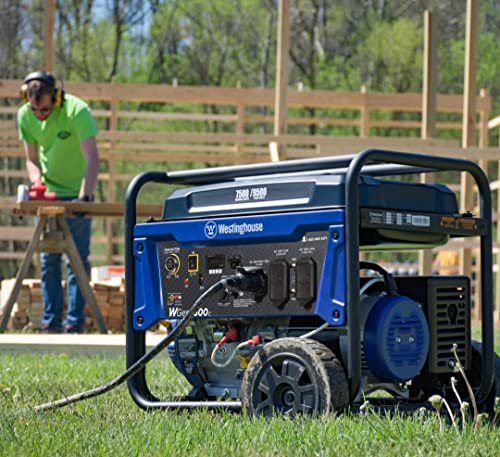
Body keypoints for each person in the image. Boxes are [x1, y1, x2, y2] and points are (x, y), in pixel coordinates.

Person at [17, 71, 99, 333]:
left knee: (77, 261)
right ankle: (50, 323)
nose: (39, 114)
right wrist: (37, 183)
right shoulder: (25, 116)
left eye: (44, 109)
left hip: (77, 193)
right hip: (48, 194)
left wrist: (84, 197)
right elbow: (31, 159)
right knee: (48, 260)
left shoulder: (77, 111)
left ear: (56, 97)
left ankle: (74, 324)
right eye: (34, 109)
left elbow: (92, 159)